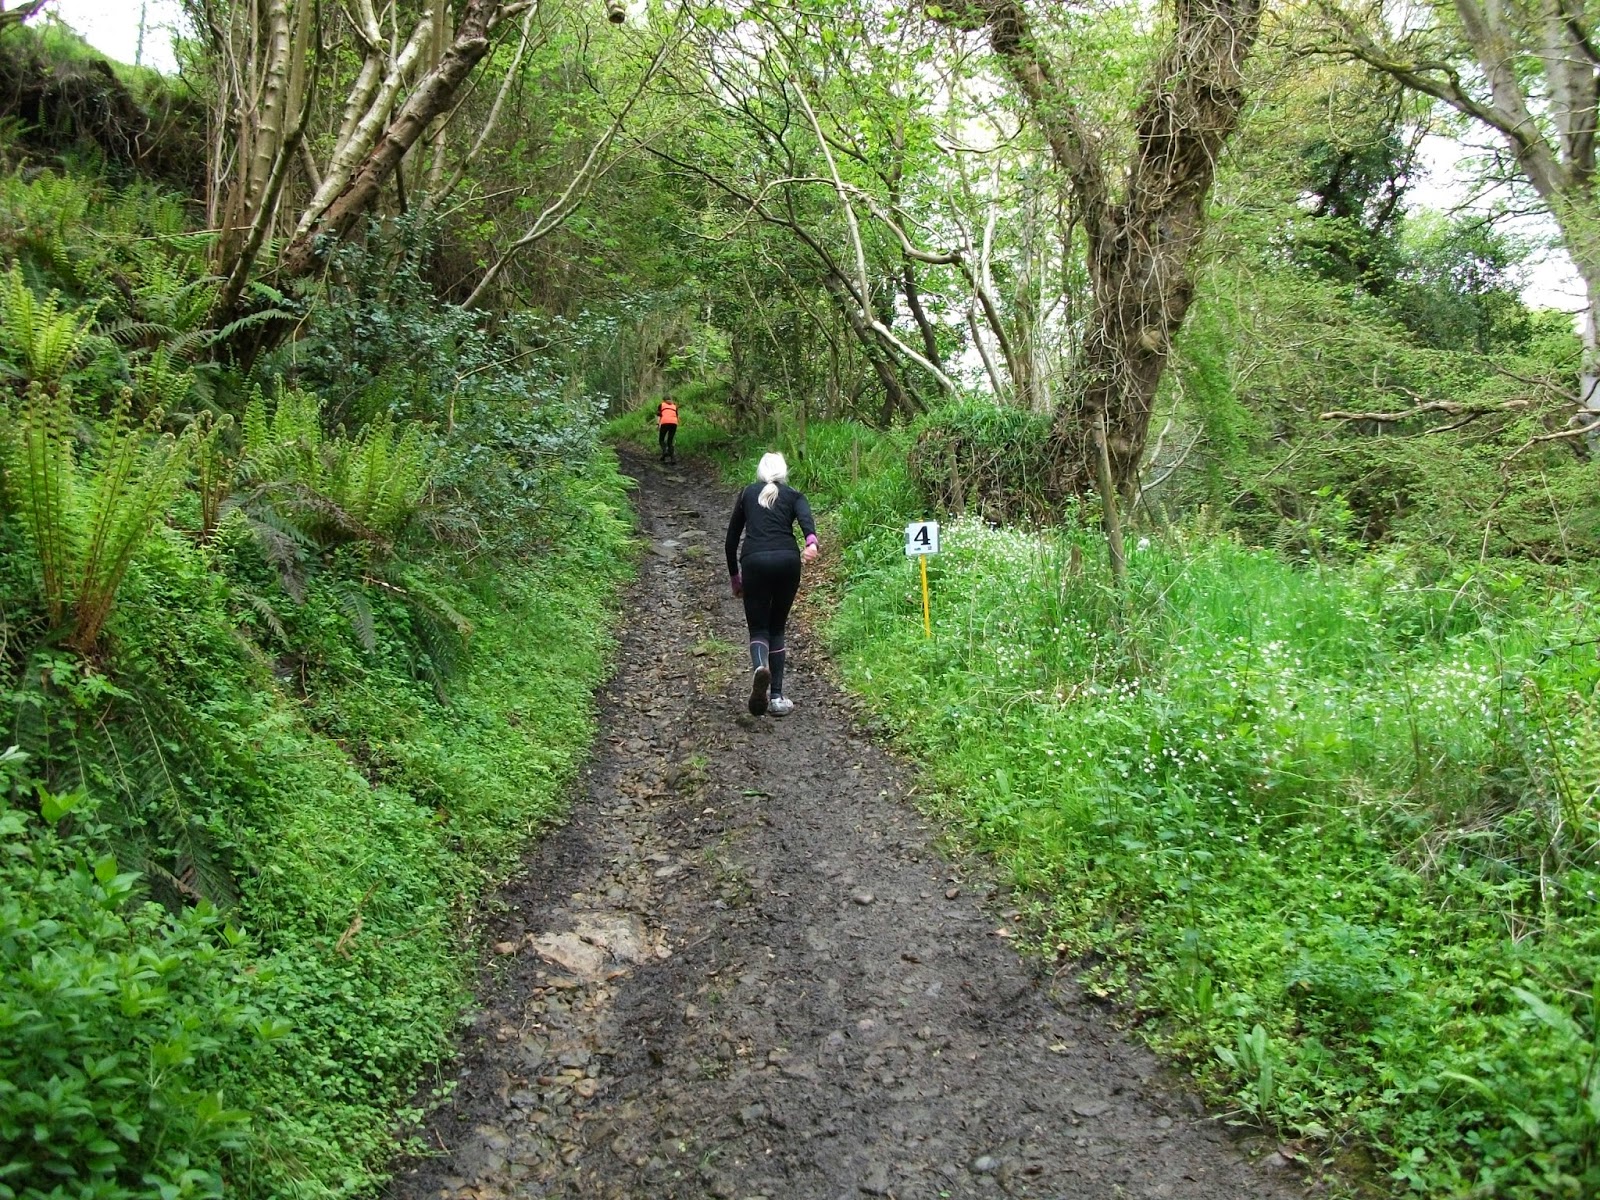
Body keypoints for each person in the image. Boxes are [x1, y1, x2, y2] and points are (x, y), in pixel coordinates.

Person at [725, 452, 819, 717]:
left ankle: (759, 668)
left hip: (754, 562)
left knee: (758, 629)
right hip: (788, 562)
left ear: (759, 471)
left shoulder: (746, 494)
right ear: (783, 472)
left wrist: (735, 578)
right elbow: (806, 524)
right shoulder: (794, 495)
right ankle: (777, 698)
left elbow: (731, 542)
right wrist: (811, 543)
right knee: (777, 627)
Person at [655, 395, 679, 463]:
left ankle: (665, 450)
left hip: (665, 422)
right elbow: (677, 416)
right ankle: (672, 459)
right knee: (670, 441)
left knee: (661, 439)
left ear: (663, 400)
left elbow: (659, 415)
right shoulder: (674, 406)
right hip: (674, 423)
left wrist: (657, 424)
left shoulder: (661, 405)